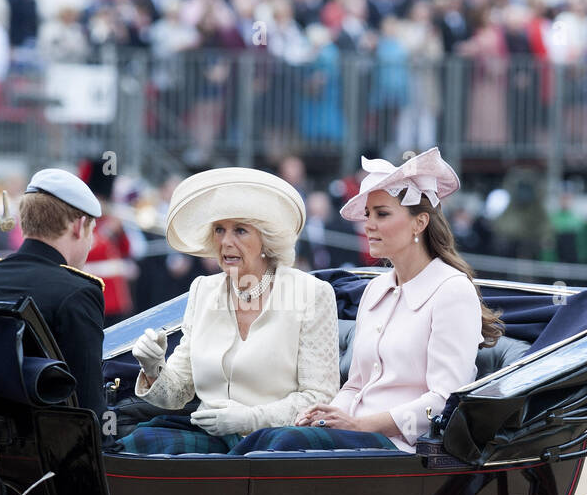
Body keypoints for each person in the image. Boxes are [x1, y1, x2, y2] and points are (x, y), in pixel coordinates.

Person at [236, 148, 503, 454]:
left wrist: (360, 425)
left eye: (382, 214)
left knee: (280, 444)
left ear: (420, 223)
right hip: (353, 441)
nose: (369, 225)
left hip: (397, 450)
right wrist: (324, 417)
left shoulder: (452, 291)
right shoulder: (375, 290)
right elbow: (355, 386)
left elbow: (444, 400)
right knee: (263, 440)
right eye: (367, 215)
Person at [118, 168, 339, 454]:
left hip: (279, 442)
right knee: (137, 445)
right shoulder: (203, 290)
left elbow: (318, 398)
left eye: (240, 230)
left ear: (266, 238)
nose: (225, 242)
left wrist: (249, 418)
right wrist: (153, 367)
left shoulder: (310, 293)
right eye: (219, 230)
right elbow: (177, 394)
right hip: (209, 438)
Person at [0, 168, 106, 417]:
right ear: (79, 226)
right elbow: (89, 408)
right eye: (92, 230)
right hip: (50, 445)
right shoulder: (78, 292)